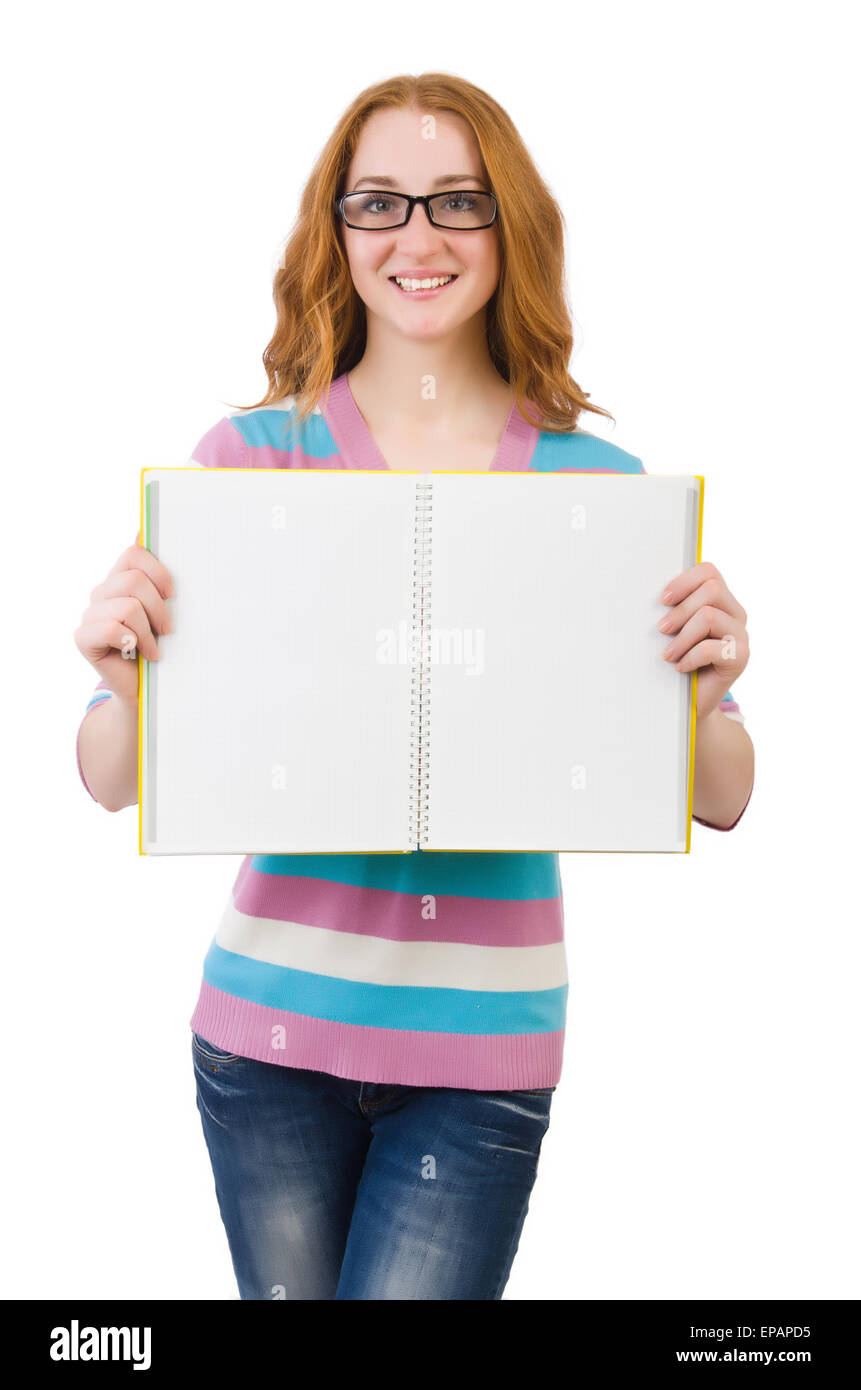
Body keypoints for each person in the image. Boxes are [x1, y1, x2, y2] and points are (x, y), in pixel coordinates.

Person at [74, 72, 755, 1300]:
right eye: (379, 203)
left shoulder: (599, 490)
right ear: (337, 233)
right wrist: (122, 678)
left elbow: (721, 796)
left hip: (480, 1055)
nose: (418, 237)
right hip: (262, 1041)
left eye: (458, 202)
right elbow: (110, 780)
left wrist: (712, 674)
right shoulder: (248, 464)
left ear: (512, 229)